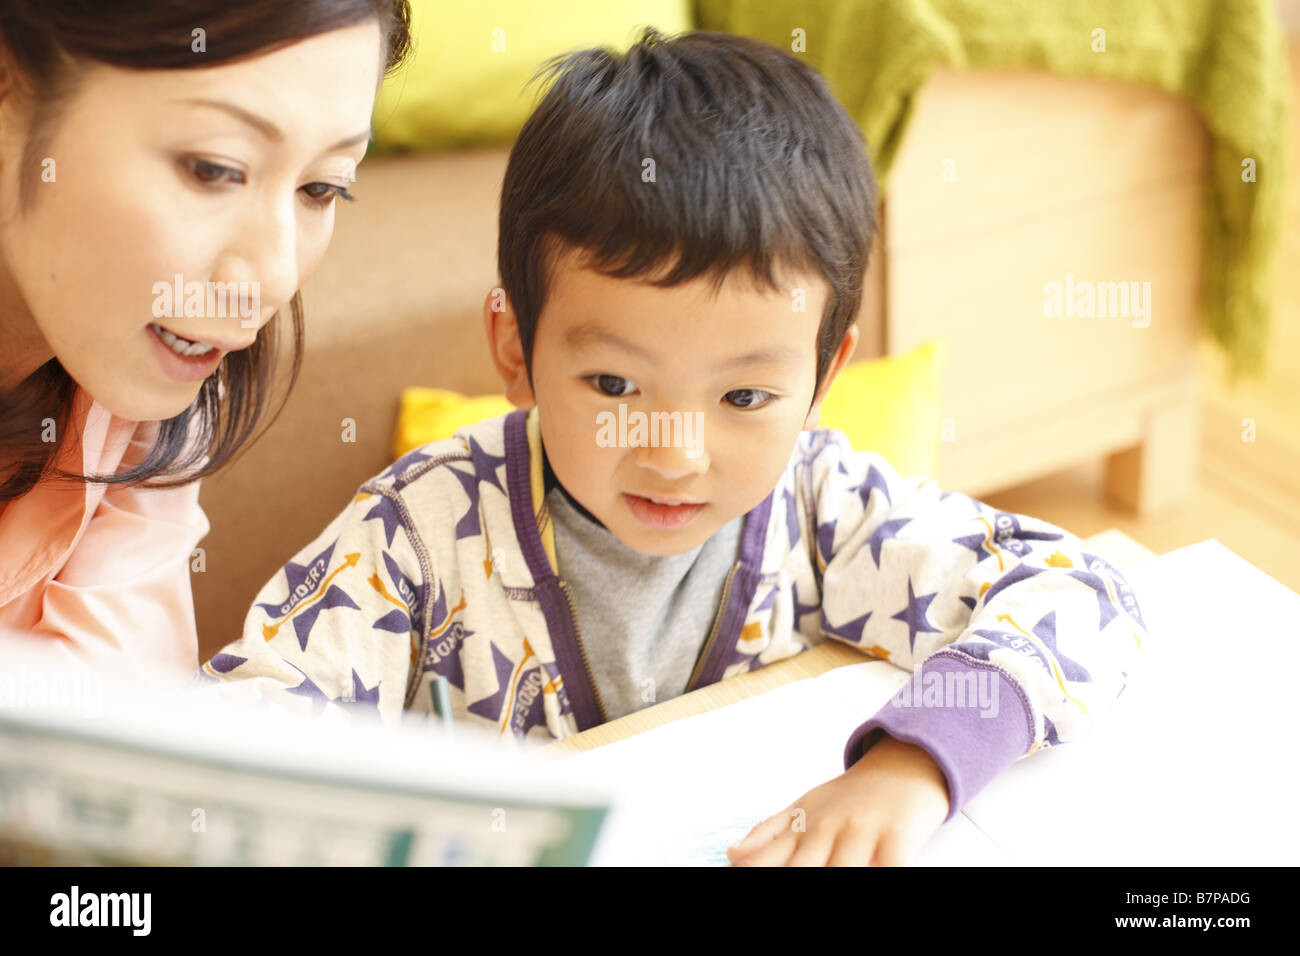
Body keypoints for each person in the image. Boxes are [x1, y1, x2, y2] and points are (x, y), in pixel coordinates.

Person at [198, 28, 1148, 866]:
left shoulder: (821, 509)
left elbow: (1083, 593)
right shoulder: (417, 534)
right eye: (615, 386)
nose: (675, 455)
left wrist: (915, 764)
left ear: (822, 380)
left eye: (745, 395)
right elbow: (233, 733)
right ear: (514, 350)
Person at [0, 1, 413, 683]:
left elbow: (120, 726)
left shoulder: (143, 391)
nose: (274, 279)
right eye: (216, 169)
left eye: (322, 187)